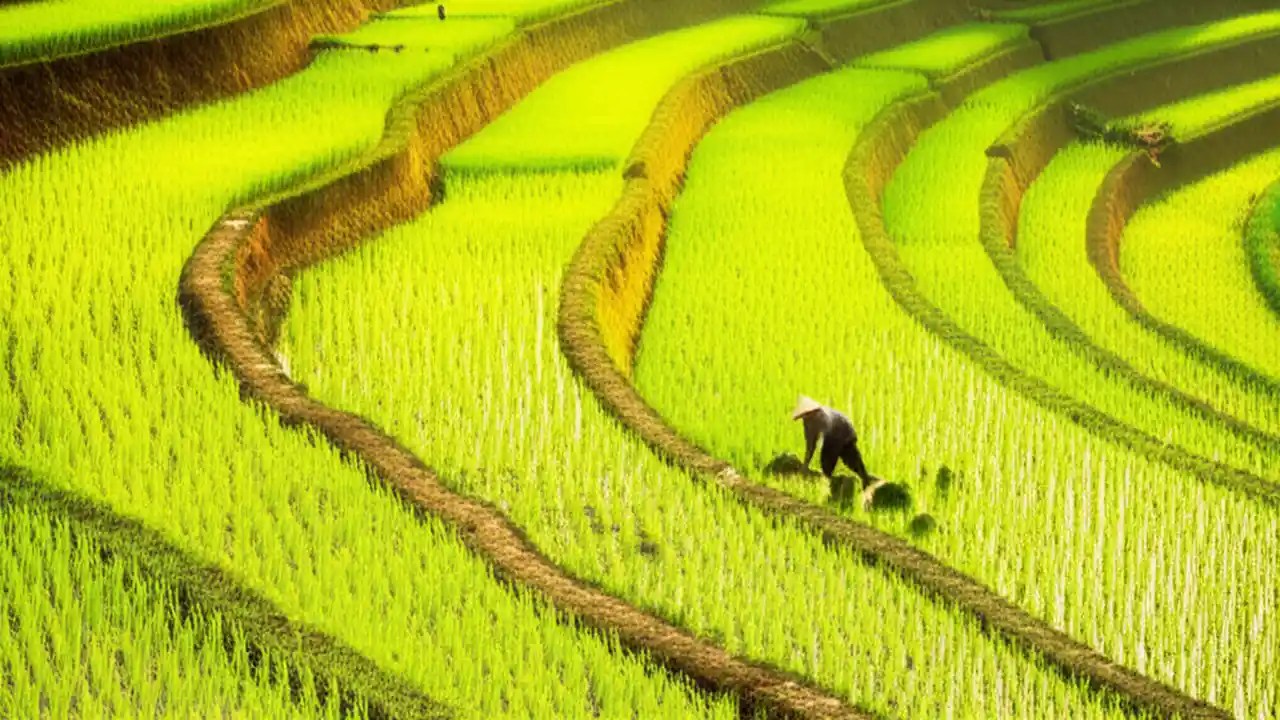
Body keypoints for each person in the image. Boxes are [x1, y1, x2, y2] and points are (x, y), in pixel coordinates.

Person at [791, 395, 873, 491]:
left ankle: (863, 483)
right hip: (839, 434)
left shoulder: (822, 415)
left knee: (841, 461)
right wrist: (806, 464)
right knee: (846, 461)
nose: (806, 417)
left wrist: (830, 454)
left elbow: (829, 437)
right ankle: (834, 485)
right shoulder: (808, 423)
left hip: (842, 432)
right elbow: (810, 444)